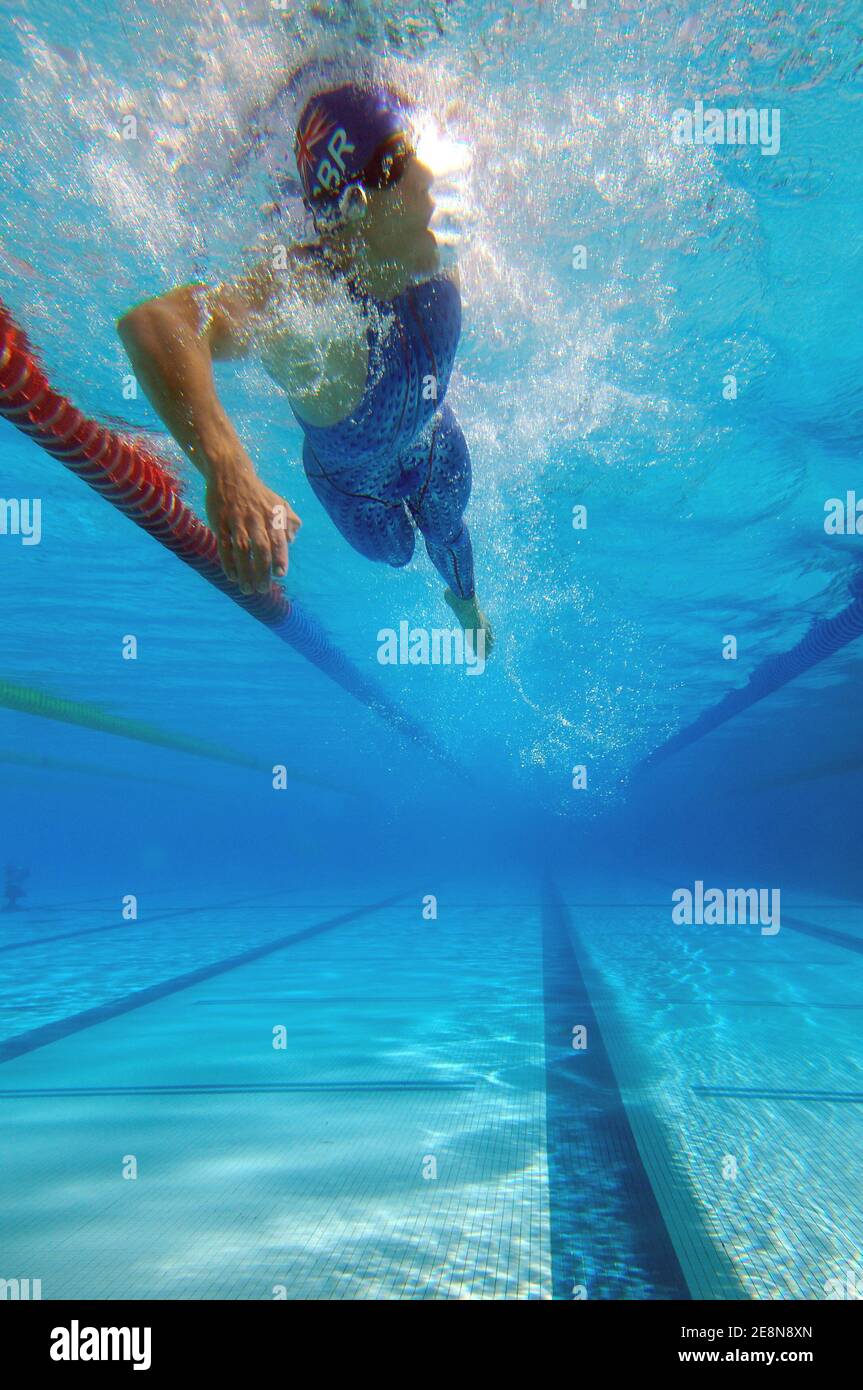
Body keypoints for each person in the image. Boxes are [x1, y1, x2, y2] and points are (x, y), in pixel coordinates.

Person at [117, 80, 493, 651]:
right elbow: (157, 322)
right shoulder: (312, 303)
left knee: (449, 530)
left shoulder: (434, 240)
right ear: (355, 206)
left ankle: (466, 608)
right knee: (397, 554)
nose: (431, 179)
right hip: (354, 486)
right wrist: (231, 472)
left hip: (432, 439)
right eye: (404, 159)